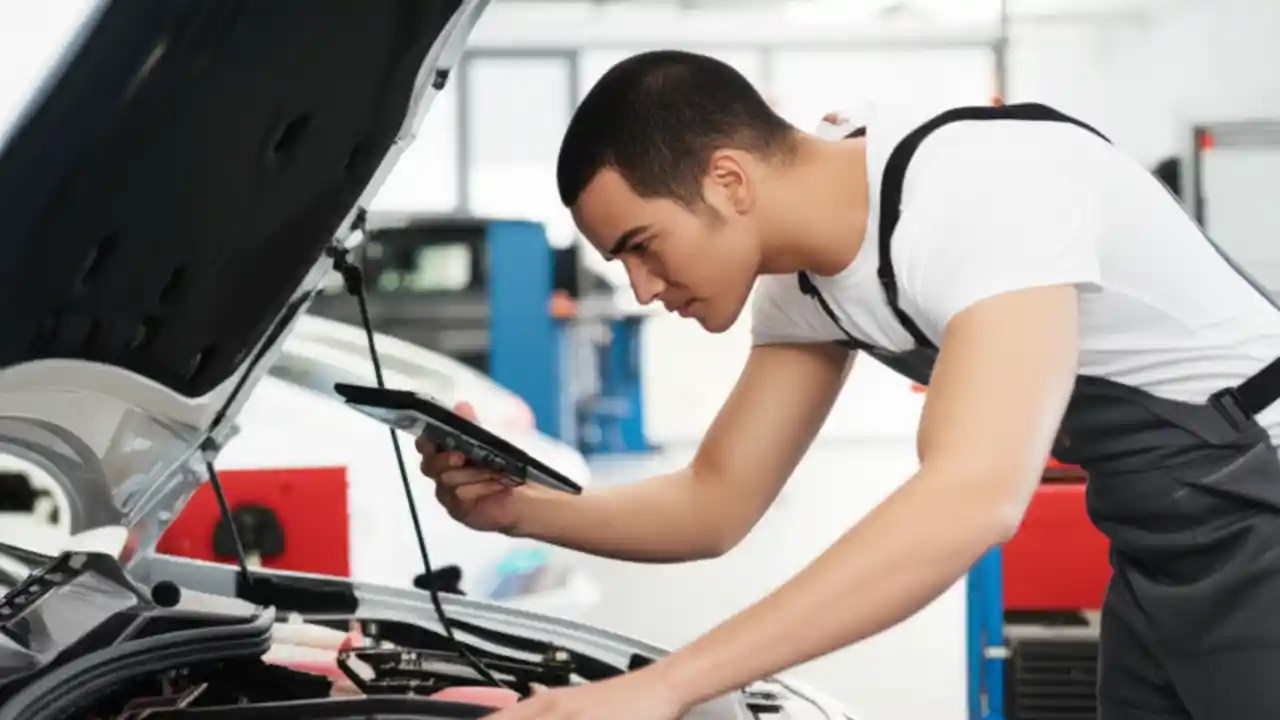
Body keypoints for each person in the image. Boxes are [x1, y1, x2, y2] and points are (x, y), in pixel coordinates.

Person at [416, 50, 1280, 719]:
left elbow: (971, 499)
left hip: (1261, 508)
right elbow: (715, 503)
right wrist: (521, 508)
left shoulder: (975, 188)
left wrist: (666, 685)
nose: (641, 287)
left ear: (728, 179)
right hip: (1160, 541)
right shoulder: (804, 284)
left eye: (644, 244)